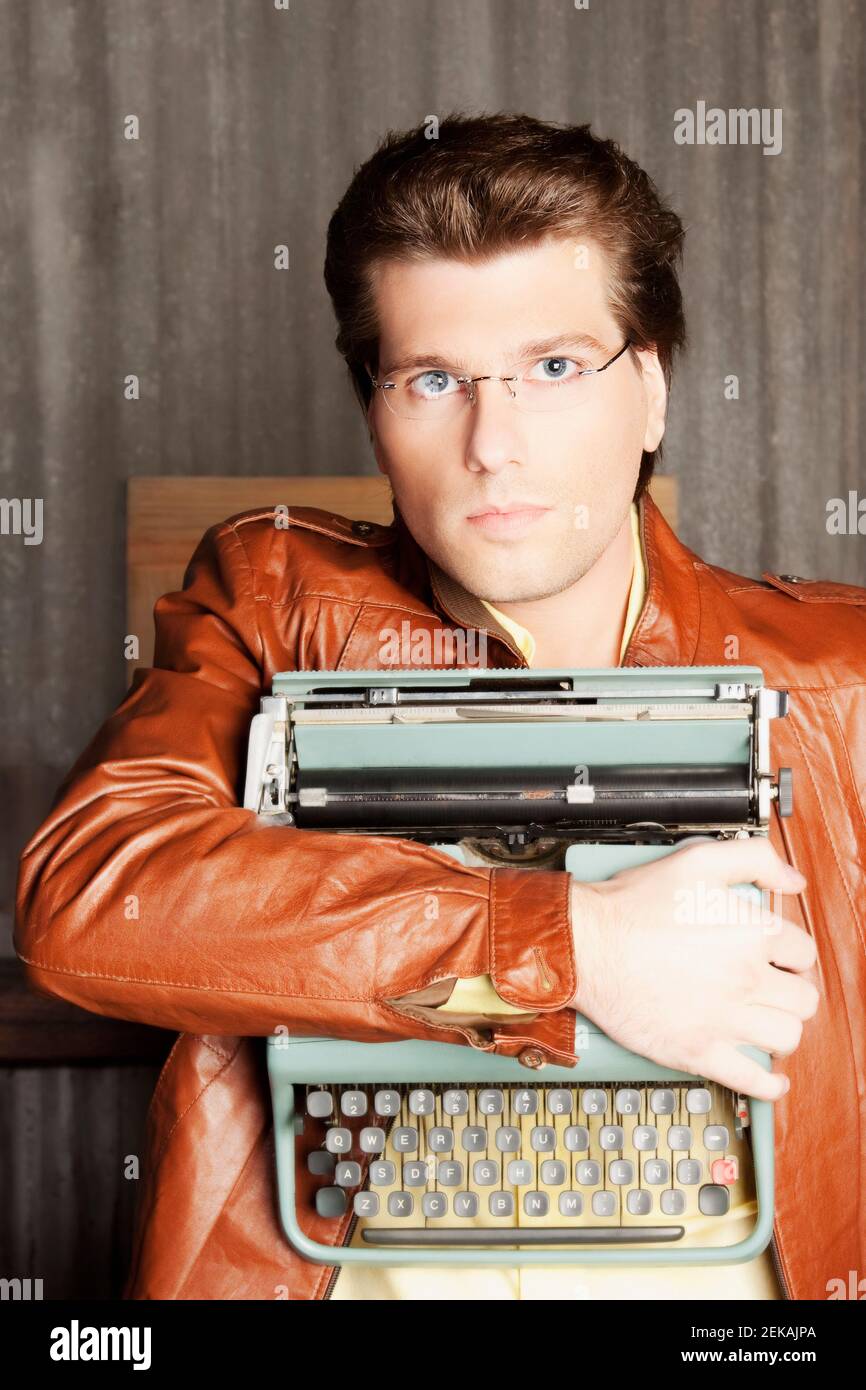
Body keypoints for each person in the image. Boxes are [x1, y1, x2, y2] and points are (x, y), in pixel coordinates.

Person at [14, 113, 864, 1302]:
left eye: (555, 368)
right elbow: (88, 897)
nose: (492, 445)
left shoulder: (841, 669)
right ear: (374, 408)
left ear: (652, 390)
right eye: (432, 379)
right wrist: (579, 944)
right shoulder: (269, 604)